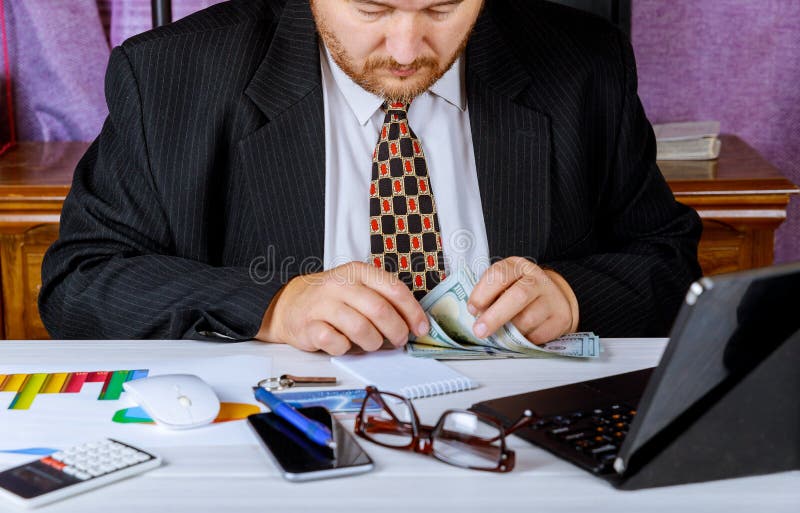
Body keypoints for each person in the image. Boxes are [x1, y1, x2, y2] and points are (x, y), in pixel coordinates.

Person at [38, 0, 702, 354]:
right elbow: (82, 281)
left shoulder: (584, 66)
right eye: (372, 9)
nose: (408, 50)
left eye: (443, 10)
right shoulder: (170, 79)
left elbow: (670, 263)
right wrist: (274, 308)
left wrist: (572, 294)